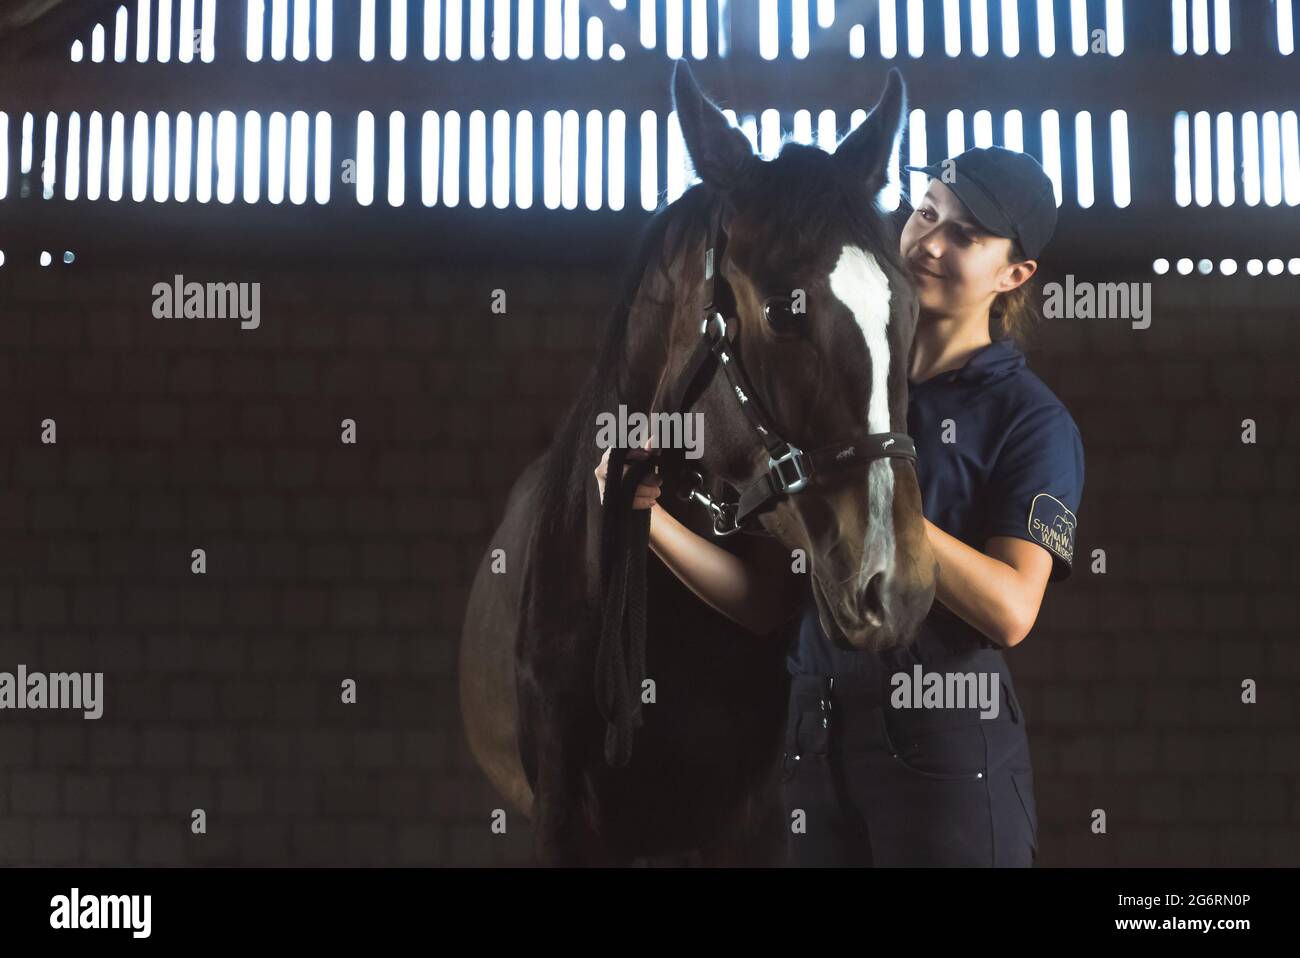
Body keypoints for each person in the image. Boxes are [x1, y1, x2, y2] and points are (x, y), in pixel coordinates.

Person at [594, 146, 1084, 866]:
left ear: (1016, 274)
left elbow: (1013, 609)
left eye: (967, 236)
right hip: (810, 743)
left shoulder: (1030, 420)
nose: (930, 242)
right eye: (926, 213)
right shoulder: (840, 390)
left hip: (945, 746)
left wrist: (871, 497)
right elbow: (766, 600)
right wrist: (650, 522)